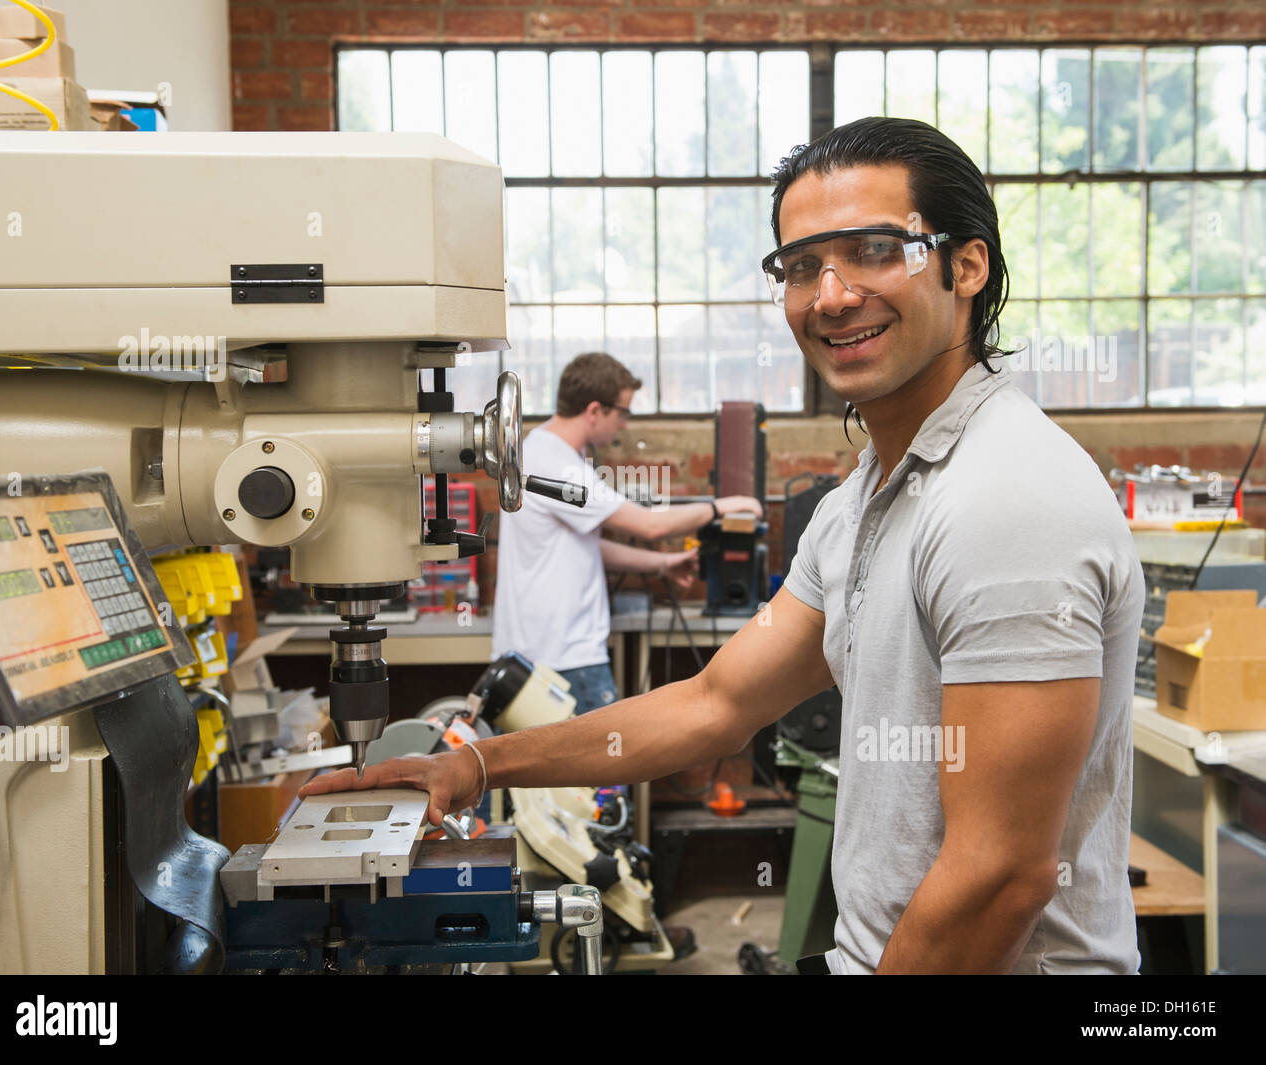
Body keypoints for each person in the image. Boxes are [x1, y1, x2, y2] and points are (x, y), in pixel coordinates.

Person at [305, 117, 1144, 975]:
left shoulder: (1006, 495)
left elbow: (1000, 876)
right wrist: (476, 765)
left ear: (967, 265)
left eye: (873, 251)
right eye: (801, 266)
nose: (831, 295)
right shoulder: (867, 498)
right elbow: (713, 704)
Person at [489, 351, 764, 712]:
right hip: (564, 659)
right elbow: (650, 525)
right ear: (594, 411)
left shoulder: (539, 451)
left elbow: (586, 548)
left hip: (542, 655)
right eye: (622, 413)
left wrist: (663, 564)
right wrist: (722, 506)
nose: (624, 425)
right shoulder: (556, 466)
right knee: (608, 766)